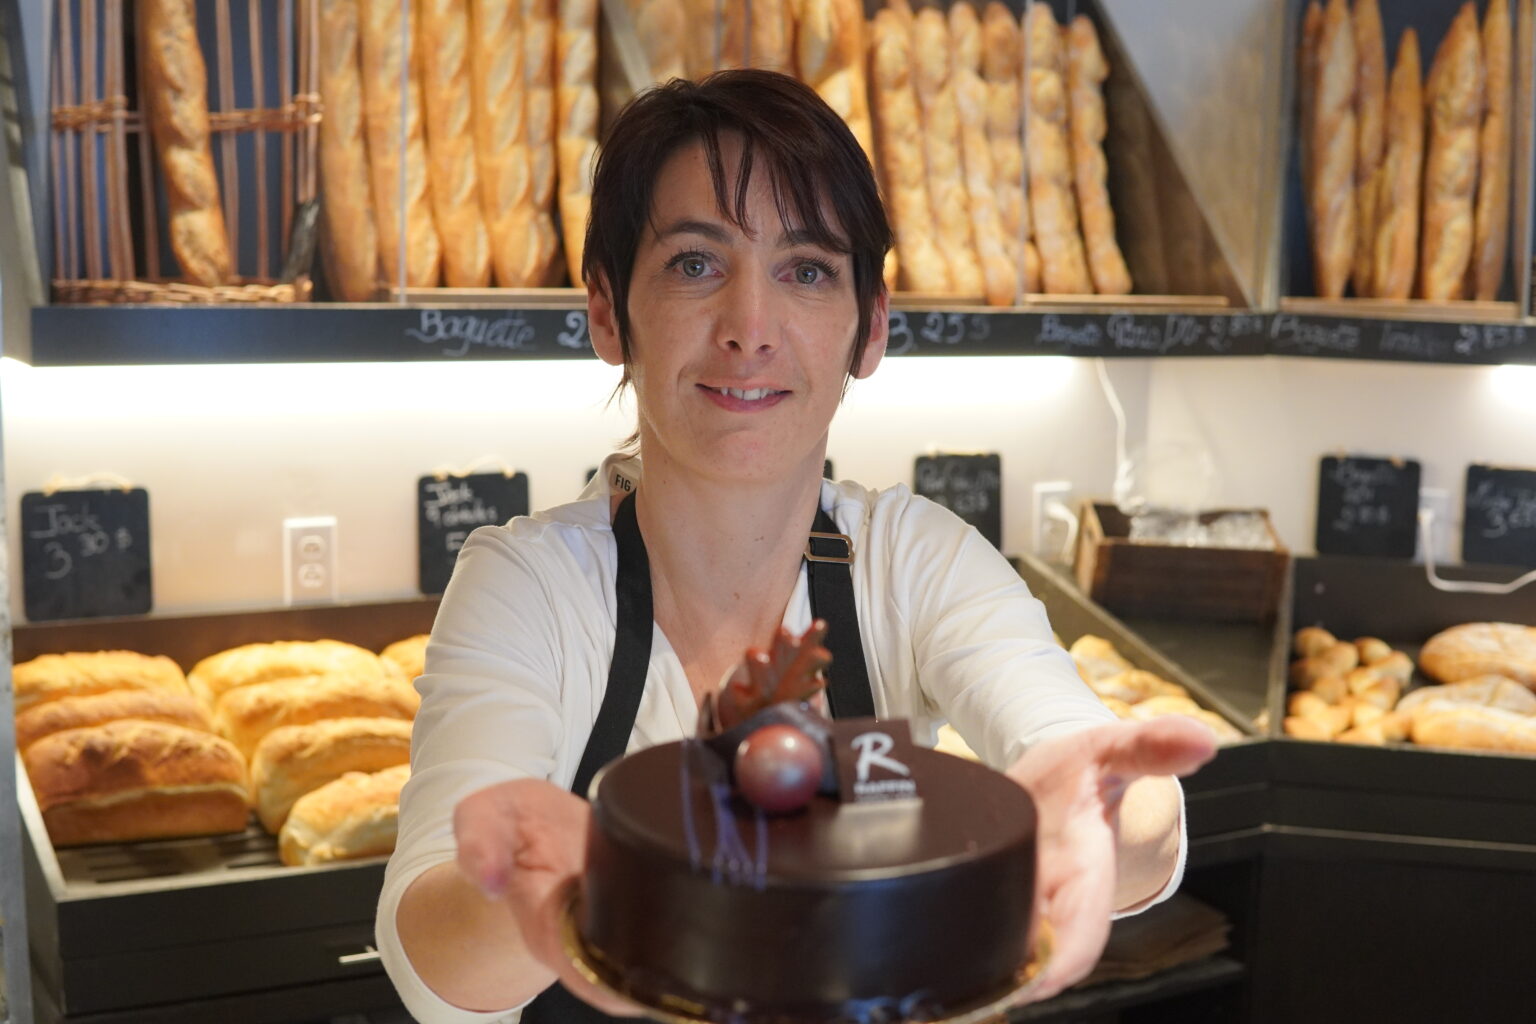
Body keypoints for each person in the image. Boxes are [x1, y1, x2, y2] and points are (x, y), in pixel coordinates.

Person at [377, 69, 1215, 1024]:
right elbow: (430, 961)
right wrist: (575, 878)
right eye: (696, 264)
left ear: (871, 327)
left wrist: (1100, 812)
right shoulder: (528, 587)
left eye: (808, 270)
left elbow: (1116, 797)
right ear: (608, 312)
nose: (751, 328)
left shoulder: (916, 562)